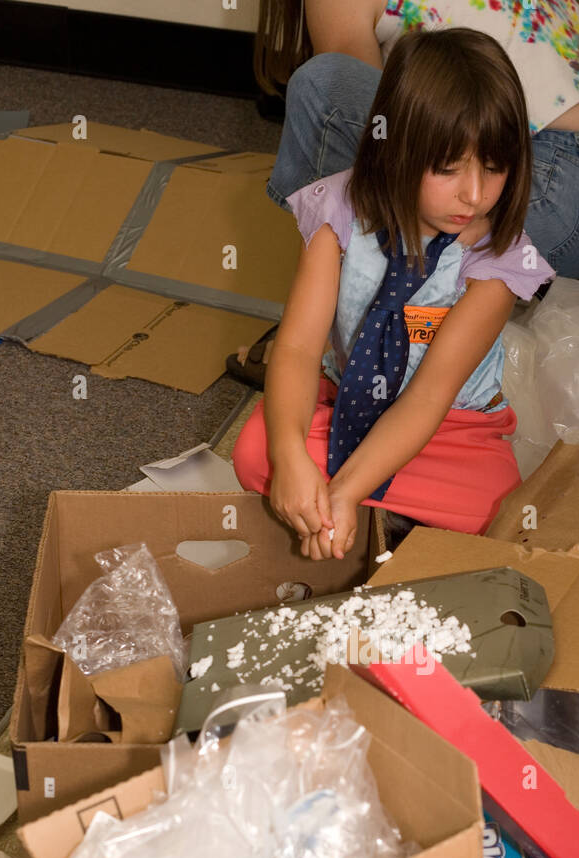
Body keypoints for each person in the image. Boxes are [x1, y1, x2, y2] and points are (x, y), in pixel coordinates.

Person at [233, 28, 554, 558]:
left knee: (493, 505)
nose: (474, 194)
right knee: (257, 455)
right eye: (448, 169)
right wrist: (291, 456)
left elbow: (429, 398)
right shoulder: (336, 212)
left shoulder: (498, 262)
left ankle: (358, 499)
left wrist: (343, 493)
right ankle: (374, 505)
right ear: (396, 147)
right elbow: (295, 350)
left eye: (495, 167)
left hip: (452, 427)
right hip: (343, 400)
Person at [231, 0, 579, 385]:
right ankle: (501, 270)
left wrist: (307, 322)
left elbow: (382, 136)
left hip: (549, 190)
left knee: (323, 83)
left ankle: (333, 330)